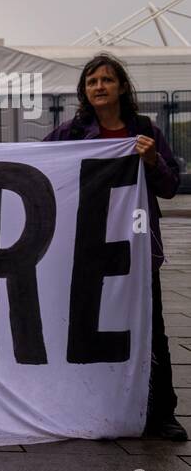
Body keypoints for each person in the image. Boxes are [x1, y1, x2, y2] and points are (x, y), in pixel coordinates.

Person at [45, 52, 185, 441]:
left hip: (137, 252)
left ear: (122, 86)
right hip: (87, 250)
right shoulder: (71, 133)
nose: (99, 88)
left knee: (151, 330)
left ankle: (162, 413)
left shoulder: (144, 130)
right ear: (84, 91)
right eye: (92, 82)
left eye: (106, 80)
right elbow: (39, 168)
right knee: (85, 328)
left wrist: (153, 161)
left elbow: (171, 187)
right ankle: (87, 404)